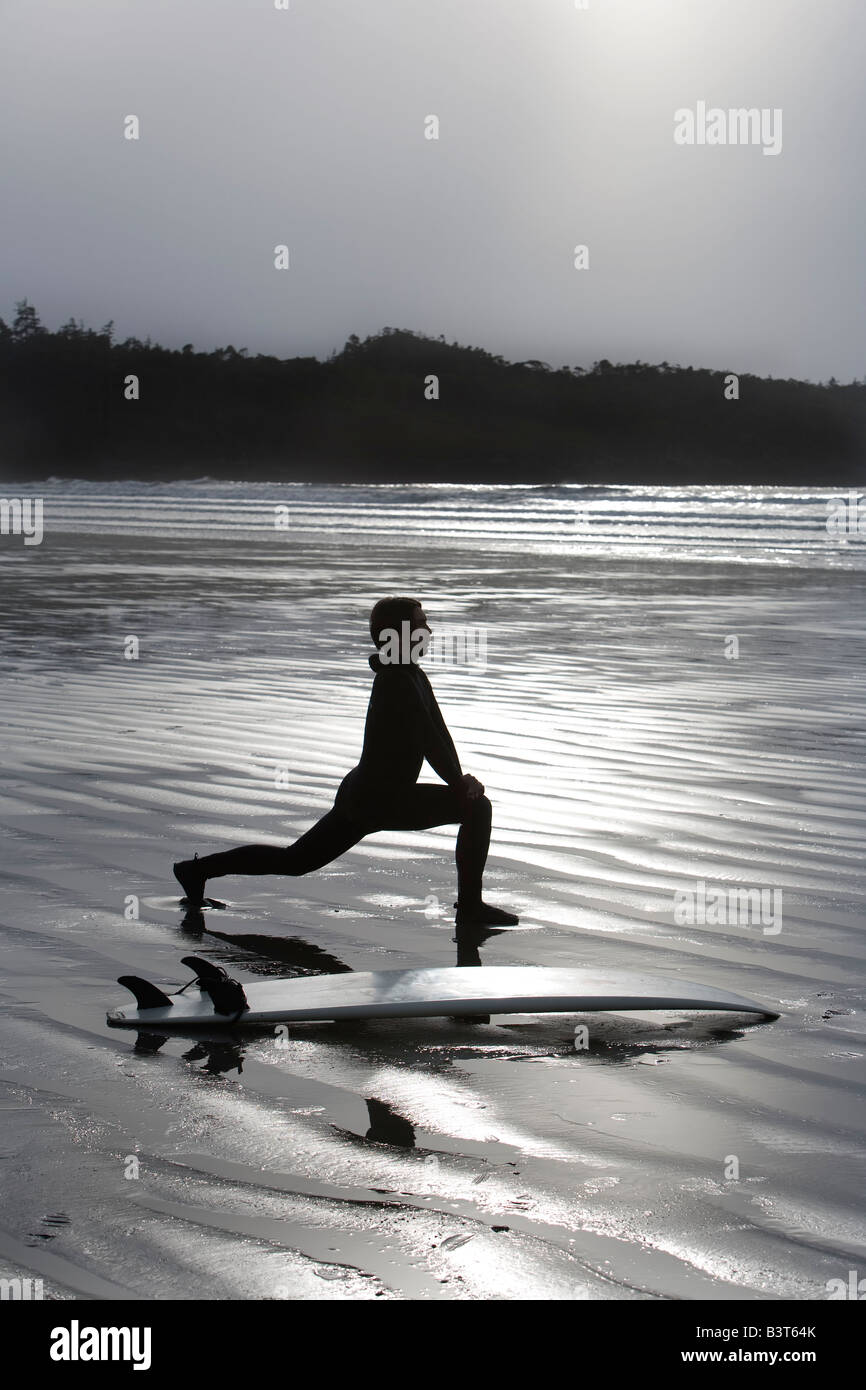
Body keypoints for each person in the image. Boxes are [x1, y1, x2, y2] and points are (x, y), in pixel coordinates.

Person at [173, 597, 518, 928]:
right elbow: (428, 741)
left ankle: (196, 871)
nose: (429, 630)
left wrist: (461, 780)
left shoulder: (410, 673)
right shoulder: (396, 680)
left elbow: (440, 734)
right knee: (476, 809)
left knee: (295, 860)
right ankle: (470, 907)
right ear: (398, 634)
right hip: (375, 799)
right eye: (421, 624)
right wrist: (460, 786)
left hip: (374, 793)